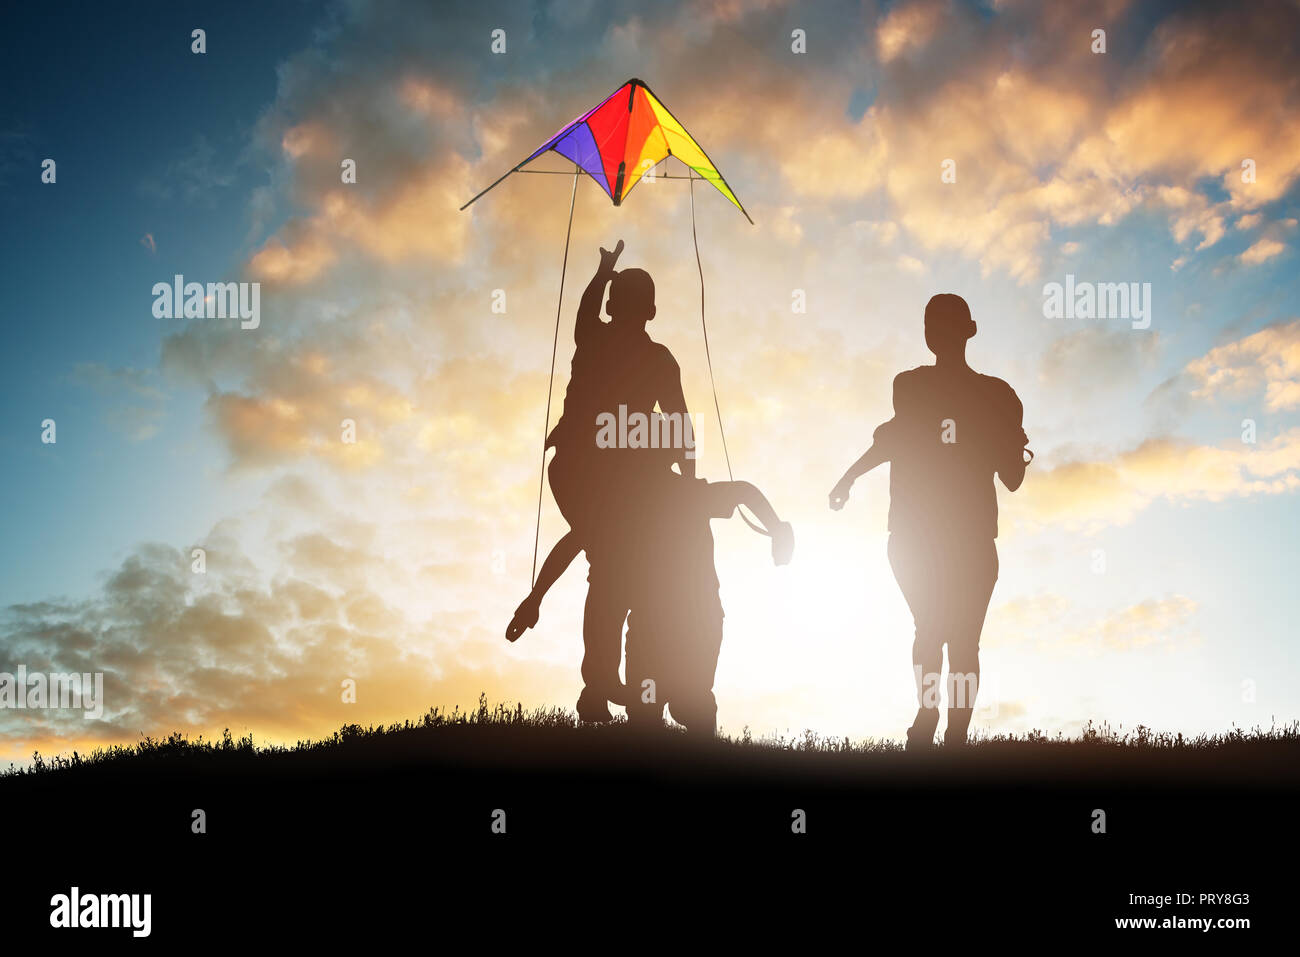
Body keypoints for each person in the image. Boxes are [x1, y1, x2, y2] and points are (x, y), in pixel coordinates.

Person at [829, 293, 1030, 749]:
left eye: (937, 323)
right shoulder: (985, 395)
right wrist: (848, 478)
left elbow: (1011, 475)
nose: (932, 331)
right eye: (929, 323)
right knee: (947, 635)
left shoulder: (947, 391)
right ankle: (938, 721)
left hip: (948, 536)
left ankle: (942, 725)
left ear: (963, 331)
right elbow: (897, 439)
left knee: (943, 634)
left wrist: (847, 479)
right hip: (926, 535)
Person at [520, 240, 694, 722]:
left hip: (600, 474)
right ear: (651, 310)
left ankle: (606, 689)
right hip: (589, 472)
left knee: (613, 567)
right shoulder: (641, 353)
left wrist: (603, 271)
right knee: (612, 562)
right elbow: (680, 425)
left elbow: (677, 424)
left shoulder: (614, 345)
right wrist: (688, 481)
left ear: (619, 306)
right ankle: (605, 688)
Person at [510, 472, 793, 737]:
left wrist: (536, 599)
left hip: (687, 622)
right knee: (665, 707)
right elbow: (744, 492)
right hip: (671, 623)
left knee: (681, 704)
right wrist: (778, 529)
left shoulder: (640, 500)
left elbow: (571, 543)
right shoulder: (668, 495)